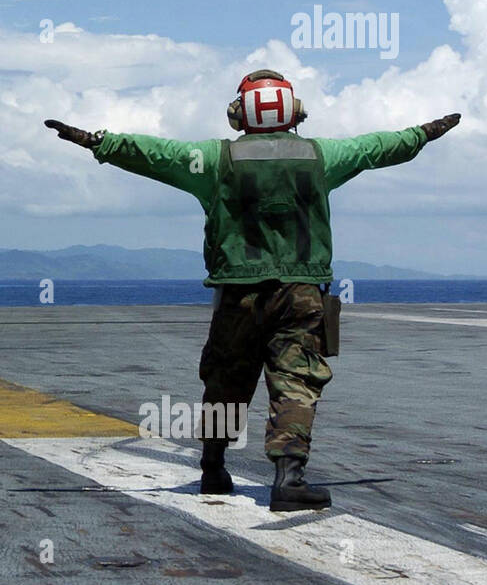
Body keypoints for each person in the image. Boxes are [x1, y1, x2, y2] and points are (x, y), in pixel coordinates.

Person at [46, 70, 461, 511]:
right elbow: (377, 147)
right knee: (296, 383)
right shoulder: (322, 156)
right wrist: (424, 133)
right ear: (294, 111)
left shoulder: (213, 160)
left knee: (225, 380)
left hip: (235, 296)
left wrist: (98, 141)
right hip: (300, 293)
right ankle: (289, 479)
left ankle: (212, 468)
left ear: (237, 115)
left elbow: (155, 154)